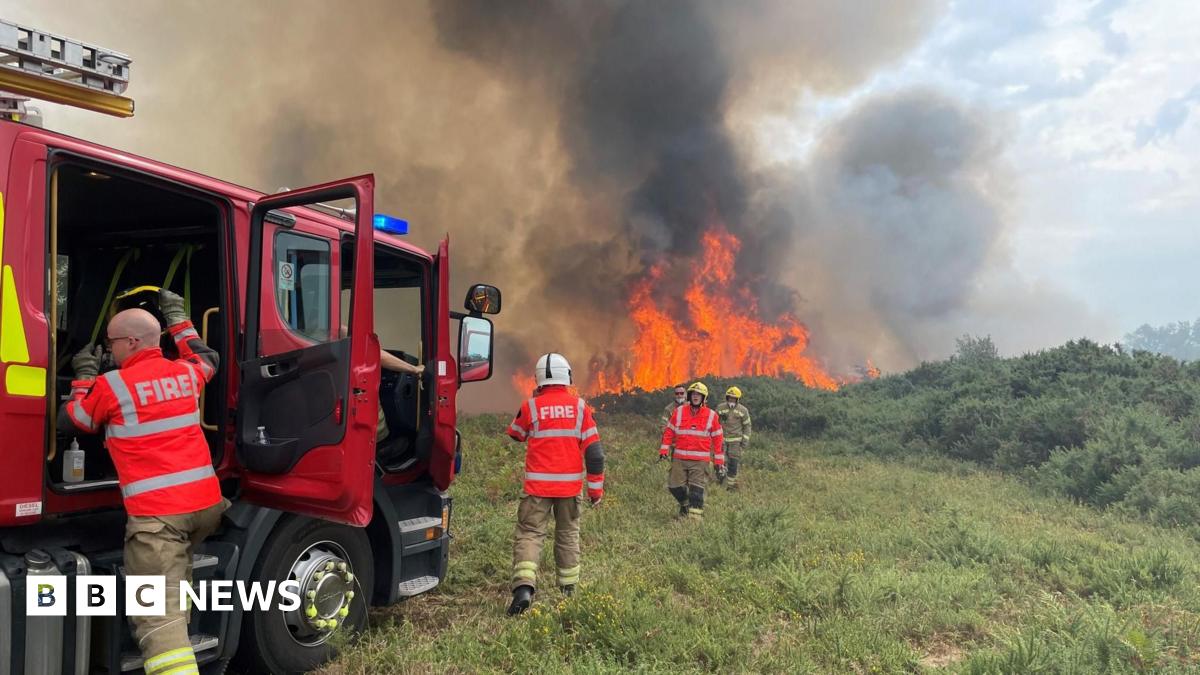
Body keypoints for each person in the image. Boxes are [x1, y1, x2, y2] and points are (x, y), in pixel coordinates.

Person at [58, 289, 226, 675]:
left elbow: (73, 421)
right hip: (204, 508)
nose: (109, 349)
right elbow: (207, 358)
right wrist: (178, 318)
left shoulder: (112, 385)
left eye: (112, 342)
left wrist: (84, 377)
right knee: (175, 587)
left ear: (131, 342)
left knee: (157, 622)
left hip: (159, 520)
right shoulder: (184, 373)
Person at [505, 353, 605, 616]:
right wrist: (595, 489)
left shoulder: (531, 407)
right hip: (569, 490)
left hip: (537, 490)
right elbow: (595, 454)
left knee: (529, 533)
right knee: (568, 535)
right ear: (567, 377)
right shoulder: (581, 408)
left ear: (538, 379)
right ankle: (568, 590)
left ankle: (524, 589)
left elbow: (515, 434)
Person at [659, 382, 724, 519]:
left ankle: (694, 522)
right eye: (693, 394)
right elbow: (669, 431)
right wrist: (664, 450)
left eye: (699, 395)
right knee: (674, 486)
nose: (695, 397)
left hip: (700, 461)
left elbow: (718, 439)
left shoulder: (712, 415)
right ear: (689, 396)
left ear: (704, 397)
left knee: (696, 490)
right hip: (679, 458)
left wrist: (719, 461)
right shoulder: (679, 411)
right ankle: (685, 504)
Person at [714, 386, 752, 490]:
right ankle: (720, 480)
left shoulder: (743, 410)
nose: (732, 400)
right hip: (721, 441)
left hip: (736, 442)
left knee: (733, 463)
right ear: (727, 398)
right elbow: (714, 423)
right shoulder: (720, 408)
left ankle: (730, 486)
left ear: (738, 399)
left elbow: (747, 426)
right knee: (720, 462)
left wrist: (745, 440)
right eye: (730, 398)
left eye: (734, 399)